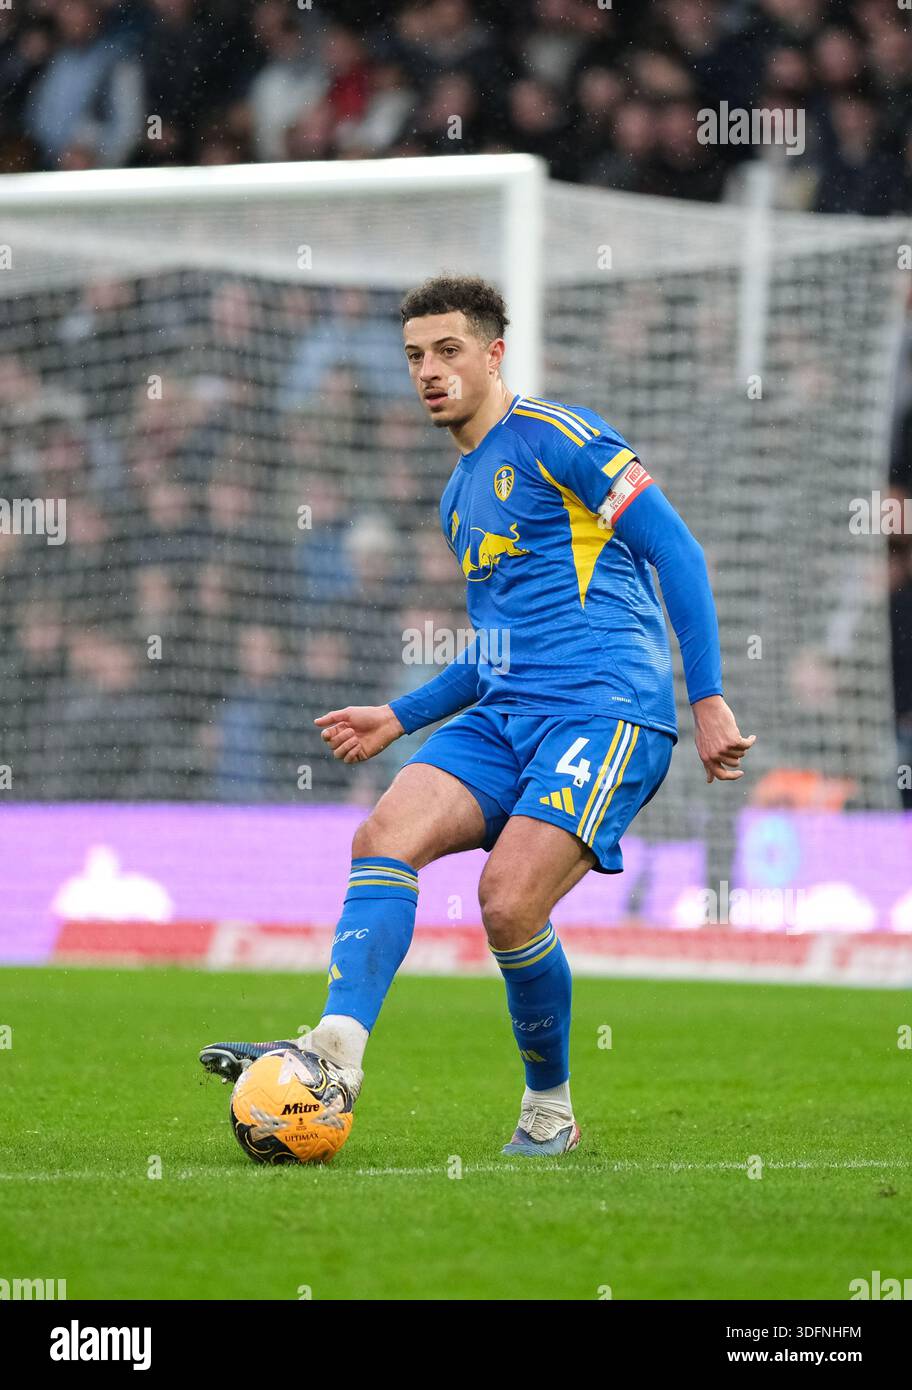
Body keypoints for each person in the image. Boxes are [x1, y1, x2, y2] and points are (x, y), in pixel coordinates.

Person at [199, 274, 755, 1157]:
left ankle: (550, 1109)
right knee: (384, 835)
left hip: (604, 712)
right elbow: (498, 644)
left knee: (506, 903)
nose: (429, 370)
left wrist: (710, 694)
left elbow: (675, 549)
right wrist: (400, 713)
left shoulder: (559, 438)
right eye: (415, 355)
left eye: (449, 351)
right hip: (506, 714)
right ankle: (334, 1056)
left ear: (494, 354)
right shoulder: (458, 495)